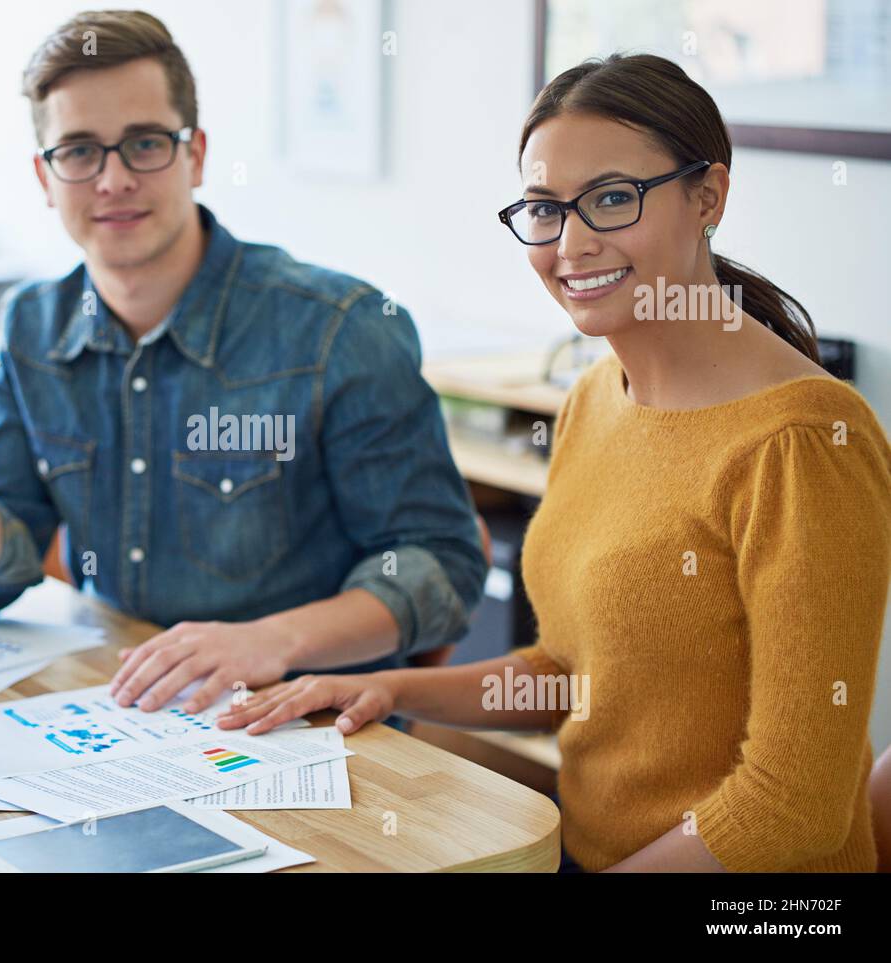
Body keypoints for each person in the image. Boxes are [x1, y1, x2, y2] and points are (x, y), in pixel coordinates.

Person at [219, 53, 891, 873]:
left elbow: (796, 805)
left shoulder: (806, 443)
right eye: (544, 208)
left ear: (708, 196)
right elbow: (574, 674)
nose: (571, 243)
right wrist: (395, 688)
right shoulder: (595, 396)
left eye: (612, 198)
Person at [0, 10, 487, 718]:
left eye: (144, 144)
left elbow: (441, 563)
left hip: (311, 726)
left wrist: (270, 640)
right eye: (78, 151)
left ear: (195, 155)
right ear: (46, 178)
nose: (112, 180)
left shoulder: (339, 329)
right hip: (122, 711)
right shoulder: (31, 327)